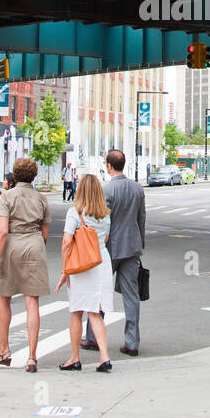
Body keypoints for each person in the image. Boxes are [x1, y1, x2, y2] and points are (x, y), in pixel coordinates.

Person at [82, 149, 145, 356]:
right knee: (131, 296)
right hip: (132, 248)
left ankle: (92, 337)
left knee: (99, 292)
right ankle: (132, 342)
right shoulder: (137, 189)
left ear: (108, 165)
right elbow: (141, 219)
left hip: (109, 250)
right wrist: (139, 244)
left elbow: (101, 222)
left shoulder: (106, 191)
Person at [0, 157, 50, 372]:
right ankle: (32, 356)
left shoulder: (7, 196)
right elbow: (45, 232)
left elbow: (2, 231)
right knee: (31, 301)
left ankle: (4, 350)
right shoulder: (41, 198)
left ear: (14, 175)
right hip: (34, 243)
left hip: (12, 245)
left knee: (3, 296)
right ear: (34, 176)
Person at [54, 173, 113, 372]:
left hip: (82, 266)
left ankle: (74, 358)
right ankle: (104, 356)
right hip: (101, 262)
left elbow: (66, 241)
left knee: (76, 312)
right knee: (95, 312)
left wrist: (65, 269)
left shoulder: (75, 212)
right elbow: (104, 240)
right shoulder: (105, 214)